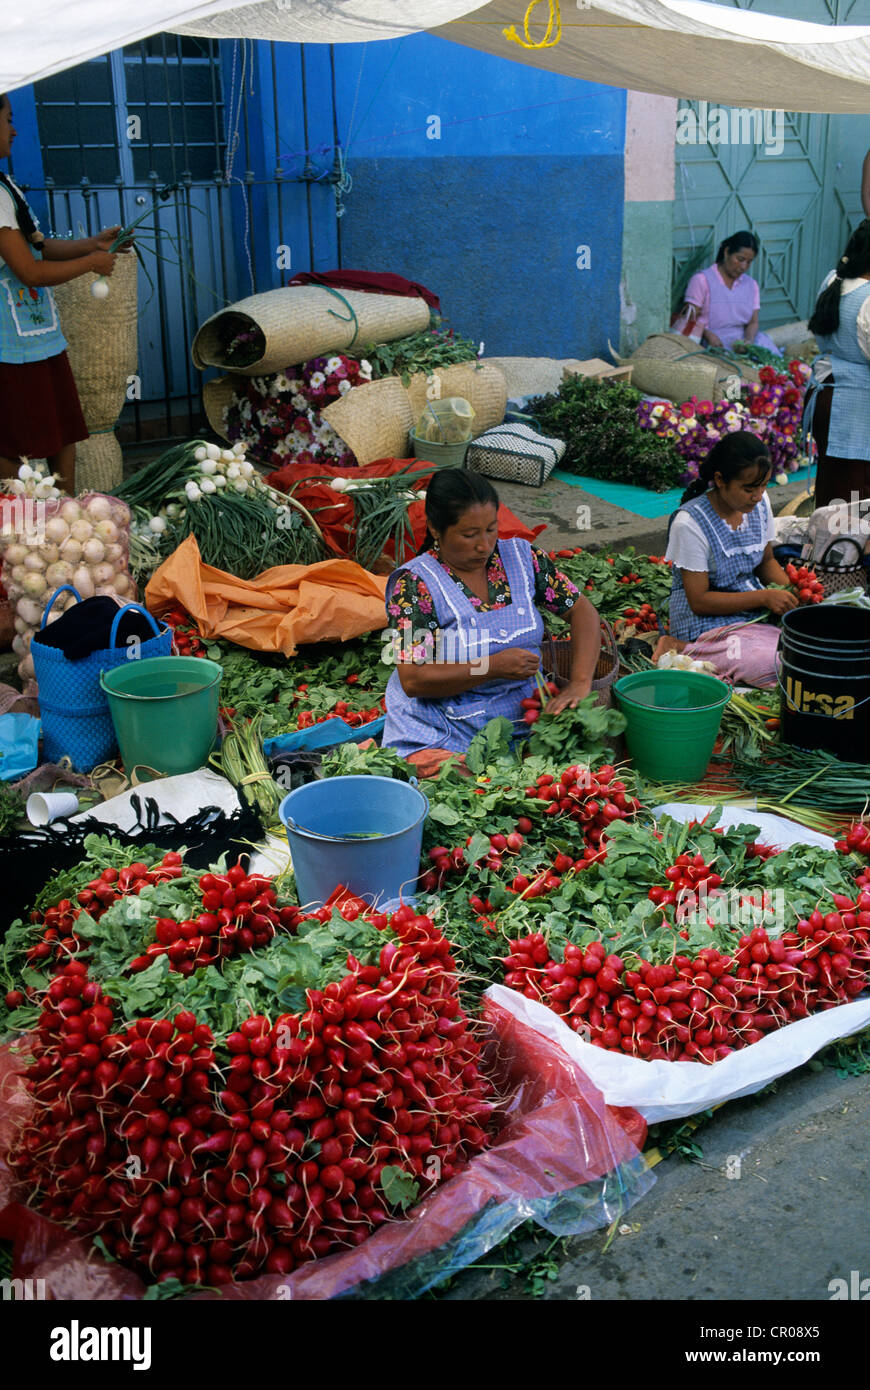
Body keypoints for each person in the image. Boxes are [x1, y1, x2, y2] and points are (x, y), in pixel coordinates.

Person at [381, 469, 603, 767]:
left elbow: (582, 611)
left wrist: (579, 683)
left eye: (491, 529)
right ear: (435, 529)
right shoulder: (413, 585)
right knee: (466, 785)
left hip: (525, 716)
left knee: (569, 775)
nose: (484, 545)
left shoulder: (524, 559)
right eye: (469, 534)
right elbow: (413, 679)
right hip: (441, 726)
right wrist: (491, 667)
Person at [0, 92, 124, 494]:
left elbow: (41, 247)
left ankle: (66, 518)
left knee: (60, 432)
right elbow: (30, 271)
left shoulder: (6, 188)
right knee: (11, 444)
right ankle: (26, 535)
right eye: (7, 120)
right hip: (10, 344)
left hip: (39, 336)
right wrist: (90, 265)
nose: (14, 129)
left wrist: (93, 245)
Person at [661, 432, 797, 687]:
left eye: (764, 485)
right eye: (749, 489)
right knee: (777, 666)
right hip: (705, 625)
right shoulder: (690, 523)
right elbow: (699, 601)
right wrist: (765, 597)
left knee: (811, 644)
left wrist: (792, 593)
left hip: (751, 611)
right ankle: (681, 646)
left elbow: (766, 561)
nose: (757, 496)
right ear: (720, 480)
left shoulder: (759, 503)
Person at [804, 219, 870, 508]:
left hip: (826, 393)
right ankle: (847, 550)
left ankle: (826, 546)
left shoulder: (833, 281)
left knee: (832, 483)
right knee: (856, 491)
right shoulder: (868, 298)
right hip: (854, 405)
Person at [674, 231, 781, 355]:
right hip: (713, 343)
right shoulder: (702, 280)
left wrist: (748, 342)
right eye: (740, 259)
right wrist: (708, 335)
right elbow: (689, 319)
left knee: (774, 368)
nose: (743, 266)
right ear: (726, 252)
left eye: (749, 262)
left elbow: (753, 322)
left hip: (742, 342)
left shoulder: (751, 285)